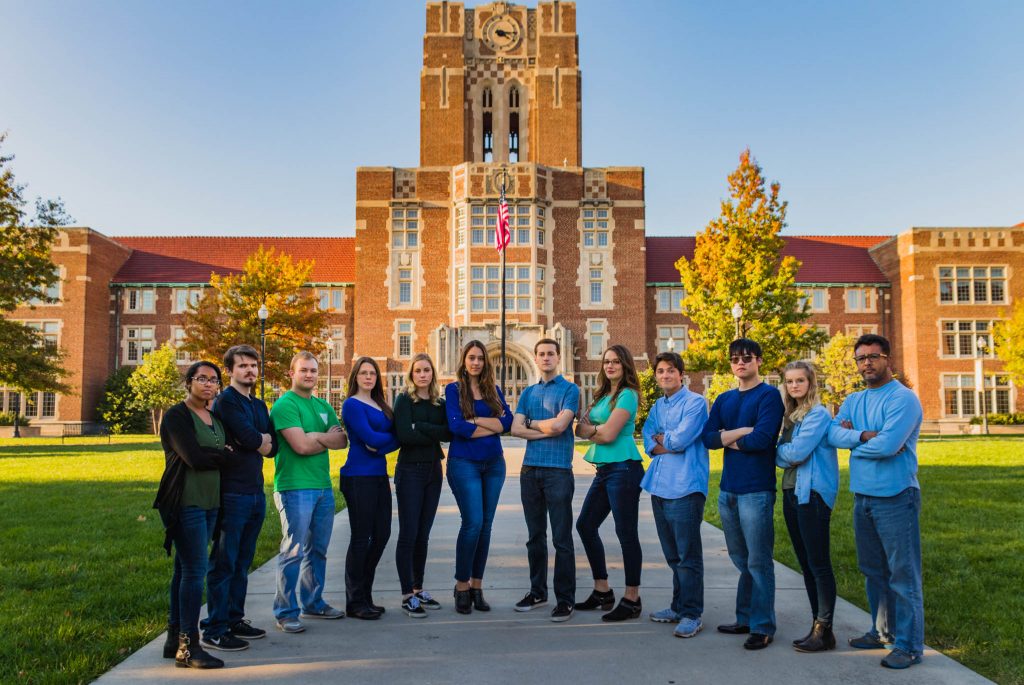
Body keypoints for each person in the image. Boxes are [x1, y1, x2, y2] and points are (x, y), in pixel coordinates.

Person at [828, 334, 924, 670]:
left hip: (896, 497)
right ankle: (882, 632)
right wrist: (864, 436)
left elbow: (889, 446)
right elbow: (833, 434)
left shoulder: (903, 399)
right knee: (873, 571)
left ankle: (909, 647)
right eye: (861, 358)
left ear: (888, 359)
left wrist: (854, 443)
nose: (866, 363)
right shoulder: (854, 399)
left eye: (873, 356)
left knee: (903, 575)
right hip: (863, 496)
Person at [701, 338, 784, 650]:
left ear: (759, 361)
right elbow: (708, 439)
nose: (740, 363)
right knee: (741, 558)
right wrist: (740, 432)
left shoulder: (769, 396)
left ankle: (762, 626)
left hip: (756, 491)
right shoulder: (724, 399)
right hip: (728, 490)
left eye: (747, 358)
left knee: (759, 560)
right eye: (735, 358)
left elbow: (761, 440)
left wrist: (727, 437)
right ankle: (746, 617)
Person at [200, 345, 277, 652]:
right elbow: (250, 438)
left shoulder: (258, 404)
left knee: (243, 561)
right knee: (224, 562)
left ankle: (234, 619)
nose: (250, 370)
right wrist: (258, 439)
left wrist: (259, 440)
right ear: (229, 371)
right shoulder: (226, 401)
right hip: (231, 493)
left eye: (253, 365)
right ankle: (214, 628)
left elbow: (272, 447)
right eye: (243, 365)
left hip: (255, 492)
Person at [153, 360, 230, 669]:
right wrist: (222, 456)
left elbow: (213, 454)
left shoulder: (214, 417)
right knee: (195, 571)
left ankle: (174, 637)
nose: (208, 384)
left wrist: (215, 455)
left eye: (214, 380)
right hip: (185, 502)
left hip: (210, 502)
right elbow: (193, 458)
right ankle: (189, 647)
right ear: (189, 382)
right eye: (202, 378)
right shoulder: (176, 416)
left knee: (184, 569)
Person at [269, 351, 348, 633]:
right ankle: (285, 612)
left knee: (318, 550)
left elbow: (342, 440)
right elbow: (300, 447)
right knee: (293, 550)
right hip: (295, 487)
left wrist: (314, 436)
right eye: (304, 370)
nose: (309, 375)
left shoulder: (323, 405)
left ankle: (313, 603)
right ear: (292, 374)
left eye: (313, 370)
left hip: (323, 487)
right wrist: (322, 439)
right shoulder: (285, 405)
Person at [510, 338, 580, 622]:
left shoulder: (570, 390)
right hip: (530, 471)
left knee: (562, 539)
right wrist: (545, 429)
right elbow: (515, 429)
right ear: (536, 358)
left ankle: (565, 600)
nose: (546, 358)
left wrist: (532, 424)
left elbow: (561, 425)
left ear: (558, 357)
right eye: (541, 354)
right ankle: (537, 592)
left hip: (558, 471)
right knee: (535, 538)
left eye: (551, 353)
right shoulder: (528, 393)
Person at [641, 351, 709, 639]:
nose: (665, 375)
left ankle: (692, 613)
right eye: (660, 371)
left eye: (671, 370)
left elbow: (681, 440)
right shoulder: (658, 405)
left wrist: (664, 439)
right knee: (672, 555)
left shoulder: (696, 403)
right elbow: (647, 437)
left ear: (681, 375)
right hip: (659, 486)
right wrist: (661, 441)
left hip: (685, 486)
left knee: (687, 555)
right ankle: (678, 606)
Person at [574, 344, 645, 622]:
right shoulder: (602, 396)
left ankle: (632, 598)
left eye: (616, 361)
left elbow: (607, 435)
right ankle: (602, 591)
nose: (610, 366)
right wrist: (595, 430)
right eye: (606, 362)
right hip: (604, 470)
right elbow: (579, 428)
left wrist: (592, 430)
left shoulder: (628, 395)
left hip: (624, 469)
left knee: (626, 533)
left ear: (625, 365)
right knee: (585, 525)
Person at [444, 340, 513, 614]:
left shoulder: (493, 390)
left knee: (486, 526)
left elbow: (507, 422)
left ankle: (477, 586)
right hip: (464, 463)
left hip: (494, 464)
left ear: (486, 362)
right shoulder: (454, 390)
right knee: (472, 523)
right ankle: (461, 586)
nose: (476, 362)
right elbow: (456, 427)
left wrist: (475, 421)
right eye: (471, 358)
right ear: (464, 360)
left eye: (480, 358)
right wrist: (492, 425)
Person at [776, 360, 839, 653]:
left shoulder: (817, 414)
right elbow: (786, 455)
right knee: (806, 563)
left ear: (811, 383)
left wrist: (777, 451)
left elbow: (796, 453)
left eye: (799, 380)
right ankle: (818, 627)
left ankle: (824, 629)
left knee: (819, 564)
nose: (794, 386)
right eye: (789, 381)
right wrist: (782, 452)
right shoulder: (792, 416)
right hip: (792, 493)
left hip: (811, 494)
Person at [340, 357, 401, 620]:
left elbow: (392, 439)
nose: (368, 377)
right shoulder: (352, 405)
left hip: (378, 476)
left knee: (382, 534)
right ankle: (355, 601)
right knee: (360, 537)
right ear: (355, 376)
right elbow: (370, 439)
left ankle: (365, 594)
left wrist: (383, 443)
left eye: (372, 373)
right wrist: (387, 440)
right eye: (363, 373)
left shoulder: (381, 405)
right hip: (357, 477)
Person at [393, 353, 451, 617]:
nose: (422, 375)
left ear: (432, 374)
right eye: (418, 371)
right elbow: (404, 435)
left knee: (423, 534)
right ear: (411, 374)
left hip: (433, 471)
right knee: (409, 532)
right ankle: (407, 595)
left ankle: (418, 588)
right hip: (410, 471)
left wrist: (422, 426)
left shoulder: (440, 403)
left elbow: (448, 433)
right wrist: (431, 432)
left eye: (427, 370)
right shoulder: (404, 400)